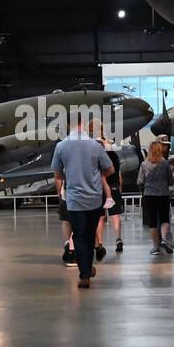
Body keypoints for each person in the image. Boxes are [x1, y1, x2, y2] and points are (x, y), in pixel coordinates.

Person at [50, 115, 114, 289]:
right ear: (83, 125)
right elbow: (110, 169)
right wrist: (95, 177)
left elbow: (57, 174)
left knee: (78, 236)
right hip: (94, 198)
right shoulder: (95, 145)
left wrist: (69, 181)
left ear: (68, 125)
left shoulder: (61, 146)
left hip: (74, 199)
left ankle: (84, 273)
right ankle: (87, 268)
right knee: (89, 234)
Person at [138, 140, 174, 255]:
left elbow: (140, 181)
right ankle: (164, 239)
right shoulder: (165, 164)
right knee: (164, 219)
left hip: (149, 195)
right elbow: (171, 181)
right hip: (163, 195)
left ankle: (155, 248)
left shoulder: (144, 164)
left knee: (153, 222)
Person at [96, 136, 124, 255]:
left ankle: (100, 242)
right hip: (114, 187)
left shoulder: (97, 156)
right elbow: (119, 175)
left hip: (100, 188)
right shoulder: (115, 156)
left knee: (100, 217)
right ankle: (118, 238)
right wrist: (119, 188)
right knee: (115, 215)